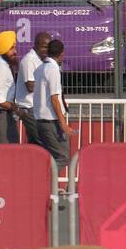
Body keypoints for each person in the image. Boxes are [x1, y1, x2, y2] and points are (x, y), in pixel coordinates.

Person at [33, 39, 77, 168]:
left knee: (50, 157)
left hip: (41, 120)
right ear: (62, 54)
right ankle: (43, 182)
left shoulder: (40, 68)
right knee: (63, 157)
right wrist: (63, 124)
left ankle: (48, 185)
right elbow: (54, 99)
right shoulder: (53, 69)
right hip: (51, 121)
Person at [13, 32, 50, 146]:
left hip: (37, 108)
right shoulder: (29, 60)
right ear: (36, 46)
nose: (47, 50)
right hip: (29, 108)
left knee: (36, 143)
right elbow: (30, 86)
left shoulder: (41, 60)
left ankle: (33, 163)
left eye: (49, 47)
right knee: (42, 142)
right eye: (44, 47)